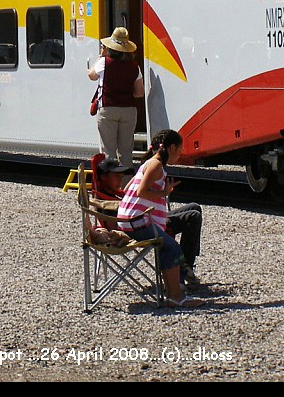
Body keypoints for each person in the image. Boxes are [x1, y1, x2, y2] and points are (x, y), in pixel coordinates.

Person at [117, 129, 204, 307]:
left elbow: (128, 188)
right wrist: (163, 193)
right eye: (179, 150)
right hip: (138, 221)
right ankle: (176, 296)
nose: (179, 155)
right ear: (171, 148)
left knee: (169, 246)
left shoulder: (149, 163)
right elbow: (141, 191)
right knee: (172, 249)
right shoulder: (156, 165)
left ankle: (174, 294)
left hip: (132, 219)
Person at [87, 27, 144, 165]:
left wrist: (101, 55)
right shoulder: (134, 66)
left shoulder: (104, 62)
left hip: (108, 109)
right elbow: (139, 93)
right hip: (129, 111)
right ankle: (126, 183)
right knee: (126, 152)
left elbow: (91, 75)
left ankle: (110, 184)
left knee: (109, 152)